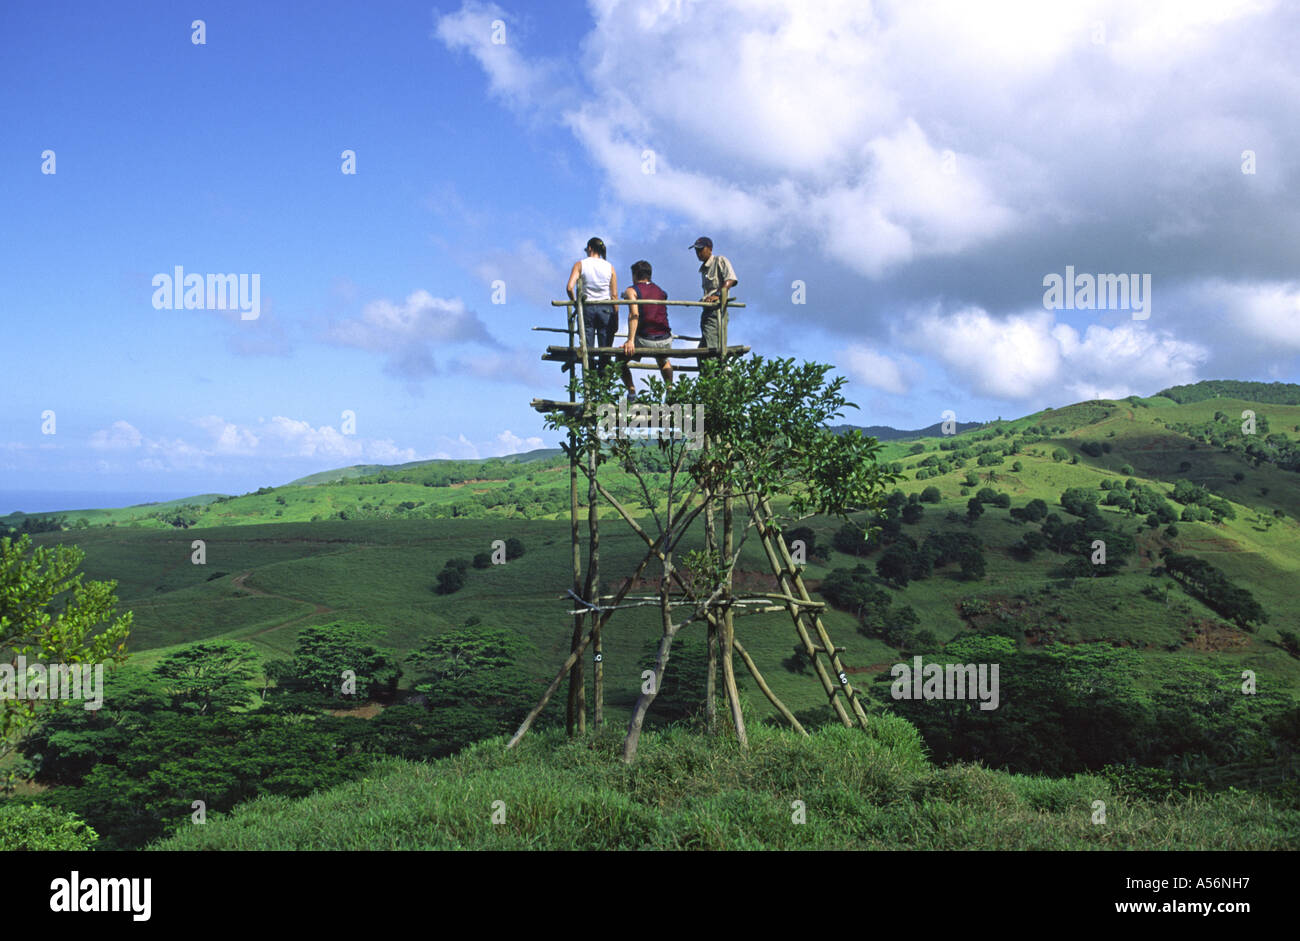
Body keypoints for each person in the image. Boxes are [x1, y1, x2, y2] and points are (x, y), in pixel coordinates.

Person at [566, 237, 618, 377]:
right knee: (605, 349)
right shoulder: (610, 267)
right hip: (605, 309)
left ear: (589, 248)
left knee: (587, 348)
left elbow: (570, 287)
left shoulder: (580, 264)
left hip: (587, 308)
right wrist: (616, 315)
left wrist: (576, 304)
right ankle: (604, 382)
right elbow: (614, 295)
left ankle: (589, 380)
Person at [619, 260, 673, 395]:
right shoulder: (661, 291)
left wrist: (630, 340)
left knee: (619, 361)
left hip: (645, 340)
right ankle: (670, 390)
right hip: (665, 339)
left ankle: (631, 391)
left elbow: (634, 314)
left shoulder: (632, 290)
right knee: (664, 361)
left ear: (635, 275)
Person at [690, 236, 737, 351]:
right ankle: (711, 367)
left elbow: (731, 279)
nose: (698, 253)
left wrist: (718, 295)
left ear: (710, 249)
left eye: (701, 249)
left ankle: (715, 368)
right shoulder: (704, 269)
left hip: (717, 311)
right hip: (707, 311)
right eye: (696, 250)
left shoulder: (719, 260)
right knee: (704, 347)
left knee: (711, 348)